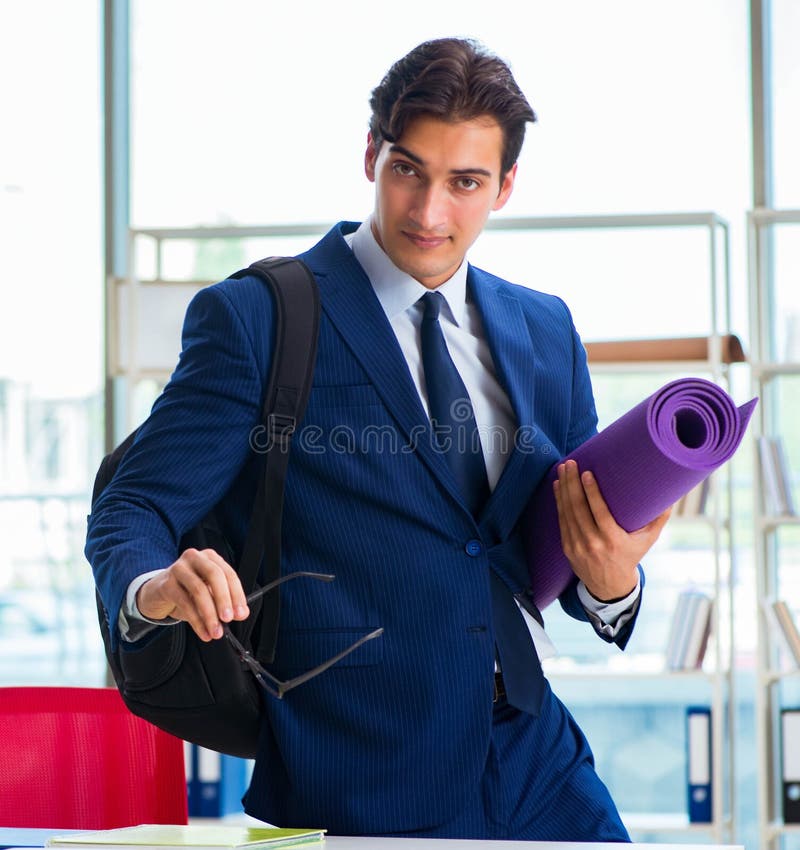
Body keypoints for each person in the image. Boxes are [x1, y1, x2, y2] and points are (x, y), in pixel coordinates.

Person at [87, 37, 670, 841]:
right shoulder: (260, 317)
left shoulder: (545, 328)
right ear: (372, 155)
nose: (429, 212)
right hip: (356, 762)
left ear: (503, 187)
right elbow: (134, 507)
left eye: (464, 182)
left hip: (534, 756)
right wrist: (154, 585)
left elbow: (566, 556)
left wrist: (611, 586)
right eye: (409, 170)